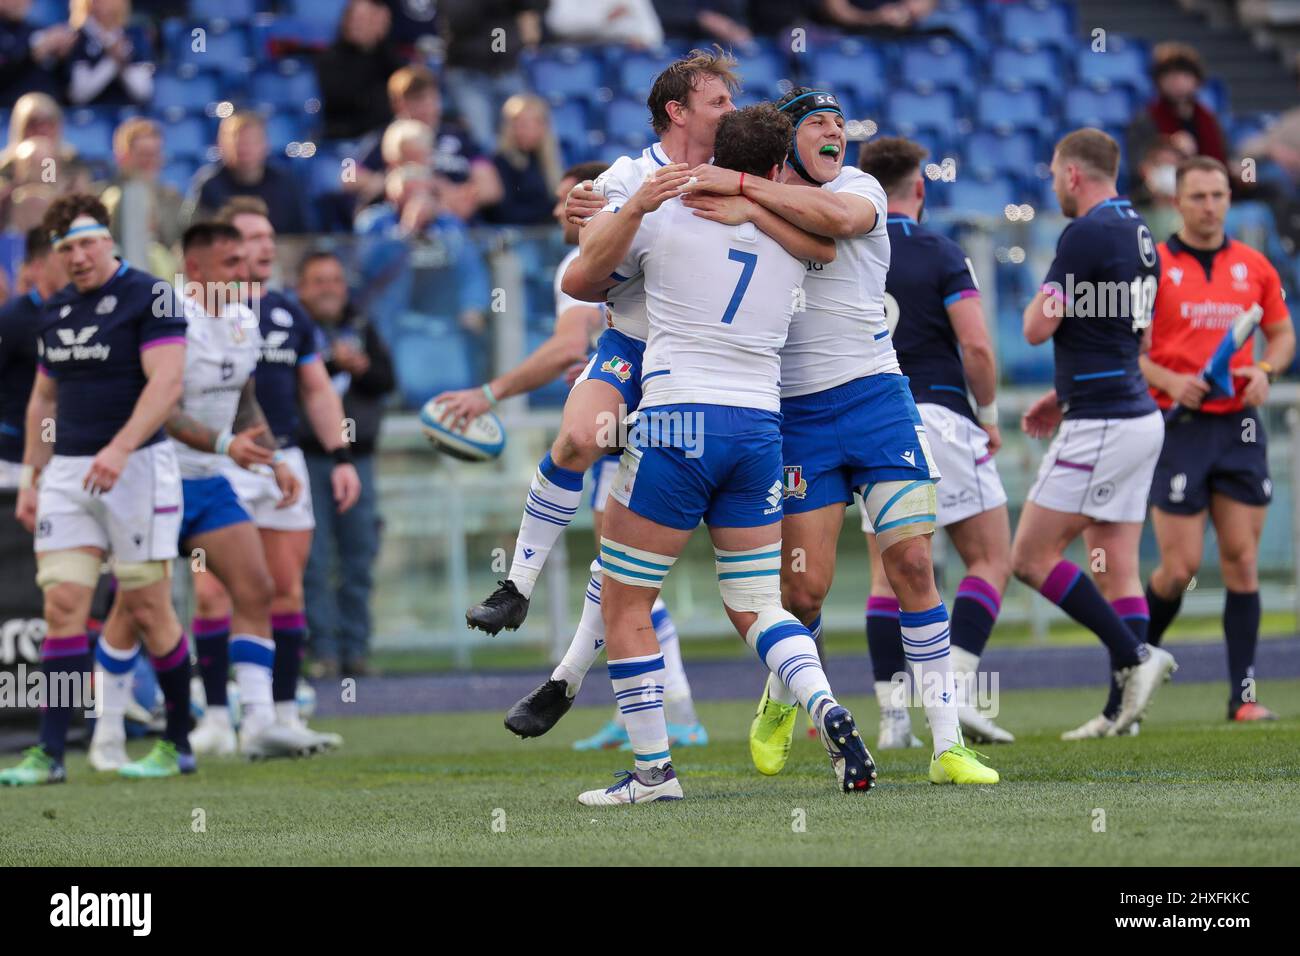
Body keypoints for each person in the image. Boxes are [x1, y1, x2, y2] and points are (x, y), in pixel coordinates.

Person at [680, 88, 998, 785]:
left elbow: (837, 226)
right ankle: (781, 692)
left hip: (879, 399)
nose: (834, 133)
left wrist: (743, 193)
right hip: (794, 414)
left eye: (839, 124)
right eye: (817, 123)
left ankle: (947, 746)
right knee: (805, 593)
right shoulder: (757, 200)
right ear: (786, 140)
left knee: (914, 563)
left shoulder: (856, 187)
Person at [568, 103, 880, 805]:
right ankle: (824, 703)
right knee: (756, 604)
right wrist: (752, 199)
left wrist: (597, 212)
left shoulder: (666, 213)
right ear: (775, 170)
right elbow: (826, 249)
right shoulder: (794, 229)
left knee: (626, 601)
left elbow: (585, 279)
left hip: (678, 420)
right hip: (758, 428)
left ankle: (654, 775)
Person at [463, 50, 826, 644]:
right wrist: (587, 217)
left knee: (625, 554)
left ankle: (572, 676)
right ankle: (518, 585)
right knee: (582, 436)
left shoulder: (746, 174)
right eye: (719, 101)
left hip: (702, 370)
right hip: (633, 344)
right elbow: (580, 253)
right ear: (678, 112)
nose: (731, 110)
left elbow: (823, 238)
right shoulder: (629, 176)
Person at [438, 160, 710, 749]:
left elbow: (567, 343)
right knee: (628, 570)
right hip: (677, 404)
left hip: (655, 406)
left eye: (581, 198)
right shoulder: (637, 244)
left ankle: (664, 704)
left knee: (631, 572)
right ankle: (647, 702)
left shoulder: (593, 255)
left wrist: (490, 394)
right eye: (568, 200)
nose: (571, 210)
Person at [93, 222, 319, 765]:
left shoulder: (243, 318)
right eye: (231, 264)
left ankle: (259, 722)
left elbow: (244, 400)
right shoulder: (169, 319)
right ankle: (106, 735)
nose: (245, 272)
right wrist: (225, 444)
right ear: (195, 270)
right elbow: (160, 407)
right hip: (154, 474)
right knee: (136, 605)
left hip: (211, 479)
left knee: (256, 586)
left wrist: (272, 461)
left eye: (246, 260)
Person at [1, 194, 190, 784]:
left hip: (138, 469)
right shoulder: (54, 310)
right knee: (61, 608)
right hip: (67, 475)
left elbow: (167, 383)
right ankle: (50, 754)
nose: (77, 257)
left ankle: (177, 743)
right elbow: (43, 400)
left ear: (108, 239)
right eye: (65, 249)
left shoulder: (150, 295)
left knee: (147, 607)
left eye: (85, 243)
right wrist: (33, 477)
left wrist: (121, 447)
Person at [1107, 156, 1291, 724]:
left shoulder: (1254, 266)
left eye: (1218, 195)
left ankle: (1243, 697)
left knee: (1241, 561)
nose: (1210, 206)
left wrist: (1266, 371)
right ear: (1177, 202)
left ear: (1228, 200)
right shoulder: (1154, 267)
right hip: (1177, 429)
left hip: (1237, 427)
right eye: (1198, 197)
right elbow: (1128, 353)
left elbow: (1281, 334)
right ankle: (1130, 678)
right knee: (1177, 566)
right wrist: (1170, 381)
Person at [1012, 128, 1177, 740]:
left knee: (1028, 557)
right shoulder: (1140, 233)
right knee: (1117, 569)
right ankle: (1119, 714)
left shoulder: (1083, 233)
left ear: (1074, 175)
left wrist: (1045, 295)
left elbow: (1033, 328)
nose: (1055, 184)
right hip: (1134, 415)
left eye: (1056, 173)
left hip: (1105, 422)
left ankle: (1138, 658)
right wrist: (1065, 392)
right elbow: (1134, 338)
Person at [184, 197, 361, 755]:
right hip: (220, 461)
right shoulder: (195, 313)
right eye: (247, 238)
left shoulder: (288, 312)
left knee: (283, 590)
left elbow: (315, 390)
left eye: (266, 236)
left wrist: (340, 456)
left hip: (280, 458)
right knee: (216, 594)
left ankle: (280, 714)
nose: (261, 247)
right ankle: (216, 715)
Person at [857, 136, 1013, 748]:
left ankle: (894, 720)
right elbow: (975, 344)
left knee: (885, 575)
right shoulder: (940, 250)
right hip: (941, 415)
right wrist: (991, 415)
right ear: (918, 188)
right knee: (991, 557)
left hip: (877, 420)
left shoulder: (846, 248)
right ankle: (958, 687)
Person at [295, 250, 395, 679]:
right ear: (302, 288)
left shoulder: (360, 325)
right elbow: (295, 388)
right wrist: (334, 364)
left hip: (358, 460)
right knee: (312, 563)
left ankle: (355, 650)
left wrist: (363, 366)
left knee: (358, 559)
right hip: (307, 460)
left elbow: (388, 381)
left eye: (335, 280)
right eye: (318, 281)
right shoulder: (294, 328)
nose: (329, 289)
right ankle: (322, 652)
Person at [352, 65, 503, 218]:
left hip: (456, 225)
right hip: (403, 223)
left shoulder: (459, 136)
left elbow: (491, 189)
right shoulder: (386, 137)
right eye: (417, 99)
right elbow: (348, 177)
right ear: (398, 104)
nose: (427, 106)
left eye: (431, 98)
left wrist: (461, 197)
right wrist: (396, 181)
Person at [0, 228, 66, 491]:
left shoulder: (78, 313)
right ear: (39, 267)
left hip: (64, 457)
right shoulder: (13, 318)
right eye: (63, 256)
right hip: (14, 460)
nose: (74, 263)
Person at [436, 0, 542, 151]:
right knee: (483, 142)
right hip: (468, 73)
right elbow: (458, 16)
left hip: (507, 69)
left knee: (525, 137)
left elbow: (537, 5)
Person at [184, 112, 313, 235]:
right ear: (221, 145)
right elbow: (196, 239)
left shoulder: (286, 184)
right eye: (237, 142)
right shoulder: (209, 186)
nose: (244, 149)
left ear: (266, 145)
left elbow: (301, 238)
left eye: (252, 142)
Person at [98, 117, 185, 279]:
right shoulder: (104, 198)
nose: (151, 161)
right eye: (143, 155)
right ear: (122, 156)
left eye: (156, 154)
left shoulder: (173, 198)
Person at [315, 0, 405, 141]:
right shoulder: (331, 58)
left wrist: (379, 42)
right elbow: (345, 97)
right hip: (346, 136)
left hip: (384, 133)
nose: (358, 25)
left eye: (366, 20)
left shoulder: (384, 53)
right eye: (355, 18)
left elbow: (402, 81)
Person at [1127, 42, 1227, 166]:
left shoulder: (1209, 120)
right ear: (1158, 82)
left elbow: (1222, 161)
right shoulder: (1145, 120)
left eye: (1185, 75)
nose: (1177, 82)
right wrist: (1167, 147)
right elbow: (1138, 166)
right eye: (1169, 75)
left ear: (1197, 81)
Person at [481, 94, 564, 227]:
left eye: (525, 124)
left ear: (542, 126)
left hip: (543, 233)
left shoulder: (547, 162)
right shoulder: (501, 160)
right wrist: (547, 214)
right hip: (516, 235)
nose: (519, 130)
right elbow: (504, 212)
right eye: (515, 124)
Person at [64, 0, 152, 107]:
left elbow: (143, 92)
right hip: (91, 114)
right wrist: (111, 60)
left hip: (128, 112)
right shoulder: (77, 37)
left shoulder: (135, 35)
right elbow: (79, 95)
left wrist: (121, 63)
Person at [0, 0, 78, 106]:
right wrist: (31, 53)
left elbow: (66, 86)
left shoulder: (38, 31)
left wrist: (62, 59)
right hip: (9, 111)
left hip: (49, 112)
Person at [547, 0, 665, 47]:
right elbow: (559, 24)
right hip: (582, 54)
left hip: (621, 58)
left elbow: (653, 35)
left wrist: (642, 40)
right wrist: (604, 21)